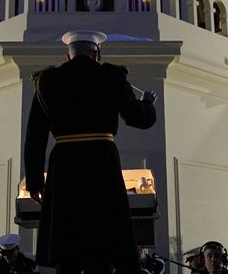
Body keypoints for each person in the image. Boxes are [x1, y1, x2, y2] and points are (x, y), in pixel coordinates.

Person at [24, 30, 158, 274]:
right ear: (97, 54)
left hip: (65, 165)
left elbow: (35, 137)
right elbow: (139, 118)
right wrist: (147, 104)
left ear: (68, 56)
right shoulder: (112, 76)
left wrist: (34, 182)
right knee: (103, 239)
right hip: (102, 162)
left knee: (67, 247)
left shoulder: (47, 81)